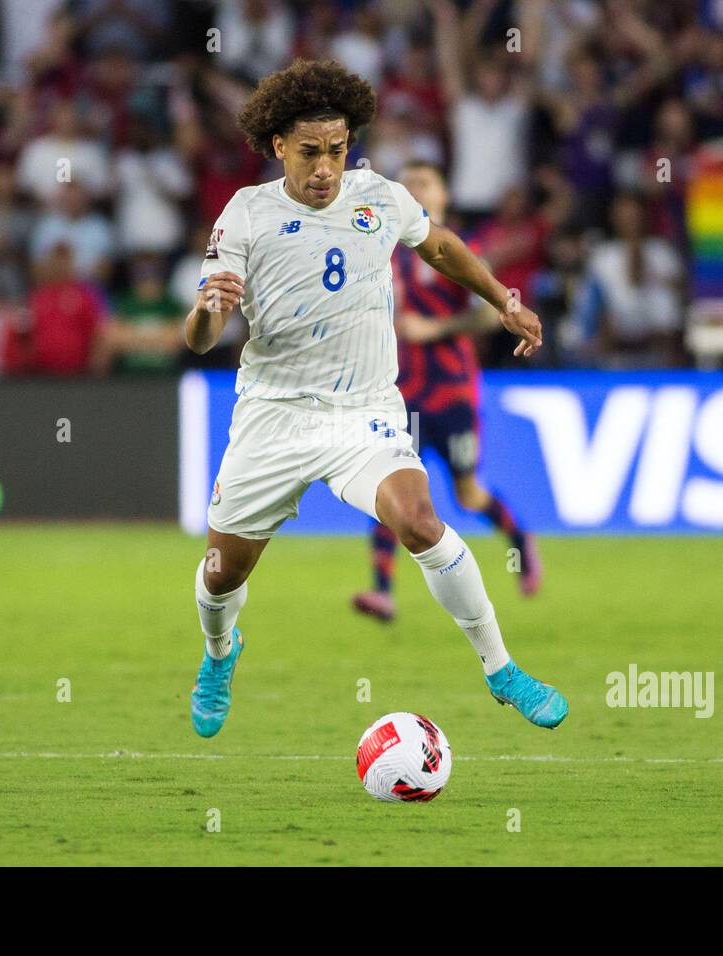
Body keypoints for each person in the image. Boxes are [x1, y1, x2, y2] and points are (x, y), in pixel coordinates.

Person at [182, 59, 567, 738]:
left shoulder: (378, 197)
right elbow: (201, 337)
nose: (325, 167)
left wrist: (503, 300)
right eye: (309, 153)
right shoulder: (247, 213)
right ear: (278, 146)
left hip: (364, 412)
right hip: (273, 416)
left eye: (337, 150)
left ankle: (501, 668)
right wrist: (209, 310)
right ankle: (220, 653)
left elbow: (442, 246)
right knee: (219, 576)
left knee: (421, 519)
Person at [352, 160, 541, 624]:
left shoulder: (463, 249)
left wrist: (433, 328)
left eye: (424, 183)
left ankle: (519, 541)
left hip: (452, 391)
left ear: (443, 199)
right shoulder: (383, 250)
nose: (414, 189)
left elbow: (483, 316)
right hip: (399, 392)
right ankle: (384, 593)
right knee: (388, 487)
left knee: (468, 494)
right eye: (408, 183)